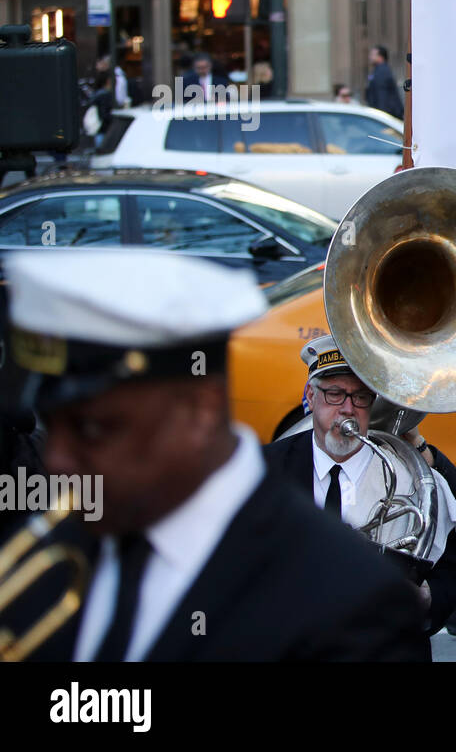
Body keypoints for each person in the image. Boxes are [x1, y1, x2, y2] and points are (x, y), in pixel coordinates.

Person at [0, 250, 427, 661]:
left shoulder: (353, 600)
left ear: (201, 410)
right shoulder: (48, 548)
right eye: (51, 427)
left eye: (92, 429)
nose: (56, 460)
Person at [263, 334, 456, 654]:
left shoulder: (408, 474)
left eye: (360, 397)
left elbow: (451, 575)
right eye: (334, 394)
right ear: (310, 397)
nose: (347, 409)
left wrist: (425, 596)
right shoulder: (264, 470)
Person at [365, 45, 405, 120]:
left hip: (386, 114)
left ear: (381, 57)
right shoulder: (379, 70)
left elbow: (382, 95)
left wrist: (380, 115)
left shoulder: (382, 72)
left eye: (372, 55)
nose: (370, 57)